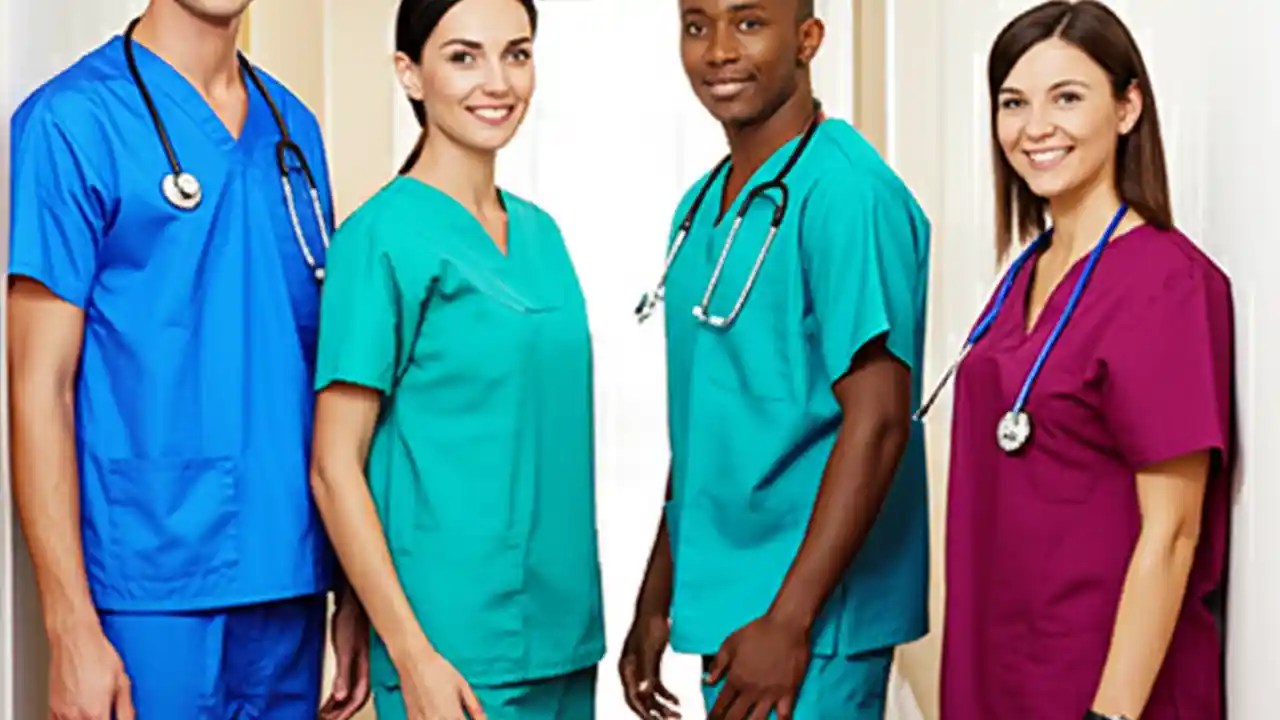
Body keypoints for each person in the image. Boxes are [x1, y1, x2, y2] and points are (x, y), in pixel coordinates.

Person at [6, 0, 369, 718]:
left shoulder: (293, 131)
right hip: (149, 583)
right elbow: (37, 384)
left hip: (287, 574)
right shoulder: (73, 122)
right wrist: (69, 623)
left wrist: (349, 588)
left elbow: (317, 369)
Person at [620, 1, 932, 718]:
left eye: (750, 22)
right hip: (729, 609)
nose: (719, 50)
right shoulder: (701, 207)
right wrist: (658, 596)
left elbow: (880, 421)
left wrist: (790, 621)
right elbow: (709, 417)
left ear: (808, 40)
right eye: (697, 26)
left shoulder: (848, 192)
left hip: (809, 624)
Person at [929, 2, 1235, 719]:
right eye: (1013, 102)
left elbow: (1174, 530)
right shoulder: (1024, 274)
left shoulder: (1165, 284)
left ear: (1128, 107)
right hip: (996, 673)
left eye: (1067, 97)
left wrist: (1112, 716)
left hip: (1102, 691)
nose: (1035, 127)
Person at [307, 0, 606, 718]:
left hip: (565, 642)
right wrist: (410, 652)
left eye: (518, 53)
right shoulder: (379, 239)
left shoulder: (543, 235)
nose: (497, 81)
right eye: (463, 57)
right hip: (451, 653)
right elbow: (333, 465)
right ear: (411, 75)